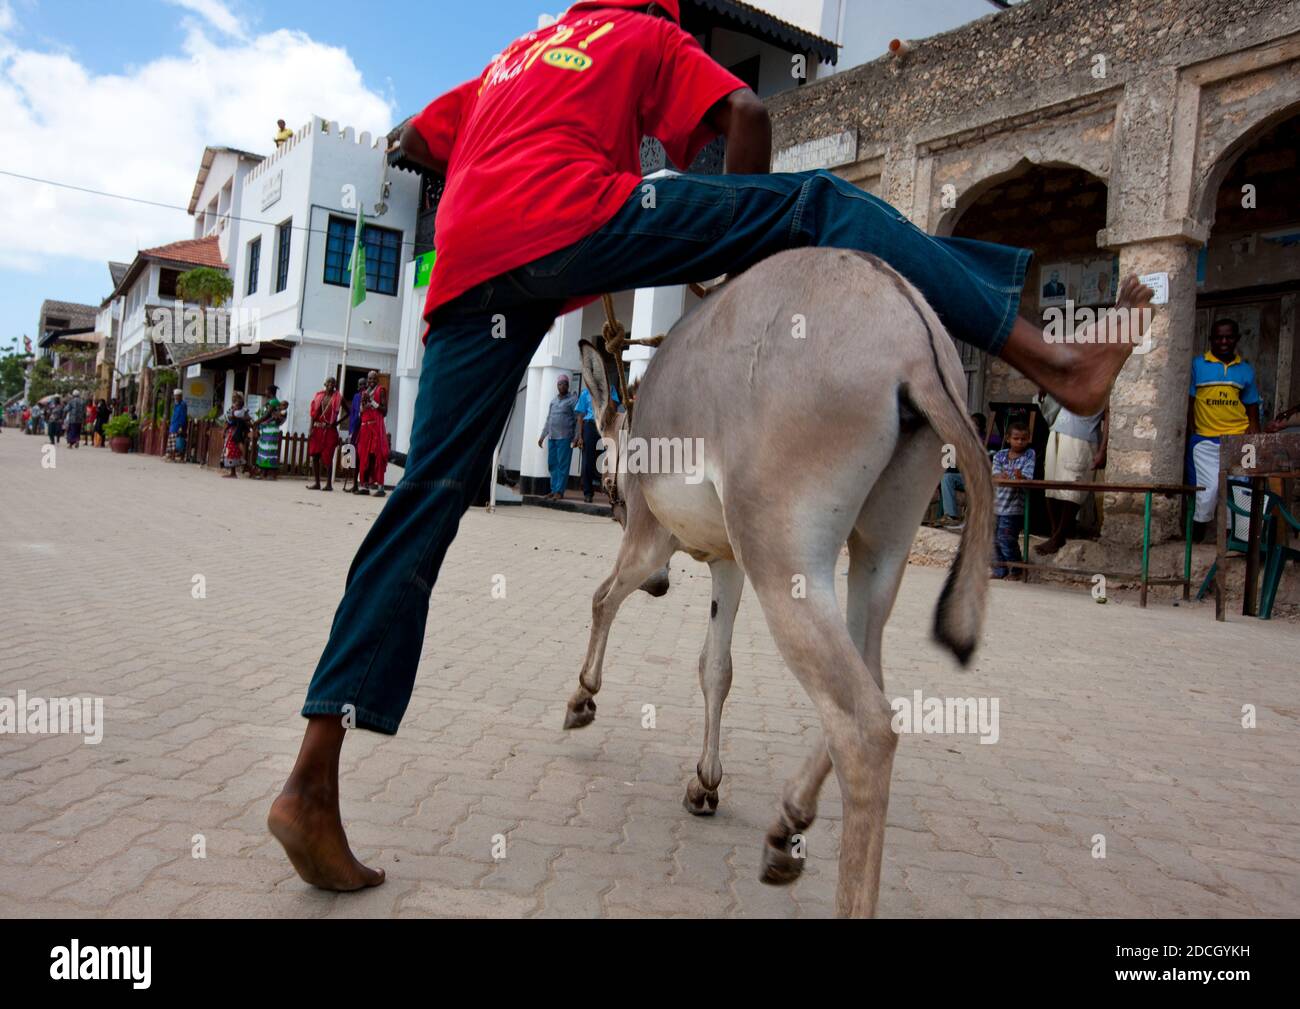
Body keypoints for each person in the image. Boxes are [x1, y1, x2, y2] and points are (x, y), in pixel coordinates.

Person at [268, 0, 1153, 892]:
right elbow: (748, 115)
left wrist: (484, 160)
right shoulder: (645, 32)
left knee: (422, 501)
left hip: (469, 262)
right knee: (817, 199)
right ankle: (1054, 359)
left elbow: (414, 138)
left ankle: (312, 778)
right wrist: (731, 252)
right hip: (573, 218)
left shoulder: (510, 58)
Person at [1186, 319, 1260, 542]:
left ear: (1237, 339)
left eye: (1229, 337)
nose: (1224, 341)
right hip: (1205, 439)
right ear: (1211, 340)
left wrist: (1254, 438)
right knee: (1206, 491)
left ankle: (1232, 542)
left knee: (1237, 490)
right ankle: (1195, 540)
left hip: (1238, 438)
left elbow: (1252, 407)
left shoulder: (1245, 370)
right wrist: (1190, 431)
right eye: (1219, 337)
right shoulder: (1197, 366)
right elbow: (1188, 403)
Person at [1035, 392, 1107, 556]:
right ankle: (1055, 533)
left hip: (1082, 436)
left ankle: (1060, 535)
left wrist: (1103, 450)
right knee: (1050, 484)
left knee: (1073, 488)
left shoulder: (1103, 380)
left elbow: (1109, 415)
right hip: (1057, 431)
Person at [991, 419, 1035, 580]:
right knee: (992, 539)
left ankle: (1016, 569)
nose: (1020, 441)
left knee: (1006, 538)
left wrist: (1020, 477)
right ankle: (999, 570)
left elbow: (1027, 478)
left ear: (1028, 439)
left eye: (1023, 438)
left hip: (1013, 508)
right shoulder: (1000, 455)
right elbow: (995, 474)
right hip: (996, 504)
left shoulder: (1029, 455)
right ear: (1008, 438)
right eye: (1016, 438)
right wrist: (999, 476)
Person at [938, 412, 988, 527]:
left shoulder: (987, 439)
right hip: (963, 477)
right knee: (947, 477)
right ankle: (951, 516)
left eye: (974, 424)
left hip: (978, 479)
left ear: (981, 427)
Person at [574, 382, 618, 503]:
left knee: (610, 459)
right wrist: (580, 436)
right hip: (590, 425)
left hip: (606, 425)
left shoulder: (611, 388)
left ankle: (611, 492)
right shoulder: (585, 392)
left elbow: (614, 408)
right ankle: (588, 493)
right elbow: (581, 415)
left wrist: (607, 393)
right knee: (587, 460)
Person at [537, 374, 579, 500]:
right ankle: (553, 489)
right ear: (557, 386)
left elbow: (578, 420)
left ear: (568, 385)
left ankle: (559, 491)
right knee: (552, 464)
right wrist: (542, 436)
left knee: (562, 465)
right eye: (560, 384)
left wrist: (576, 436)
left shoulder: (572, 400)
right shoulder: (553, 401)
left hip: (565, 437)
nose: (562, 386)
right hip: (552, 437)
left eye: (564, 384)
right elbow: (548, 419)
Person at [354, 372, 390, 497]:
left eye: (374, 378)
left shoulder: (381, 390)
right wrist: (364, 405)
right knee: (364, 457)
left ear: (377, 379)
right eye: (370, 378)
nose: (371, 380)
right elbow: (361, 412)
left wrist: (373, 402)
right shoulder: (364, 392)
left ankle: (380, 487)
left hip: (376, 427)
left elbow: (384, 411)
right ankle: (364, 486)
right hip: (365, 428)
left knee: (378, 455)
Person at [308, 377, 343, 491]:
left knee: (328, 457)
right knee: (315, 456)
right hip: (317, 429)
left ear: (335, 385)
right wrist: (310, 429)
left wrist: (336, 422)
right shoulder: (319, 396)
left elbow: (349, 411)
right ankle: (317, 483)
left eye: (333, 382)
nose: (331, 384)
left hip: (329, 431)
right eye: (329, 382)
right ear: (325, 384)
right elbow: (314, 414)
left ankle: (328, 484)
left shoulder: (338, 397)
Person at [254, 385, 287, 479]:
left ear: (270, 392)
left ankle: (271, 474)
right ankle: (264, 473)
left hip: (271, 429)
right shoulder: (271, 401)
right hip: (267, 429)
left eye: (266, 390)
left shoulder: (274, 402)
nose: (265, 392)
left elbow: (267, 415)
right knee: (264, 450)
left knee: (269, 450)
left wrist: (257, 422)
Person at [222, 393, 251, 477]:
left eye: (235, 397)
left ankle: (235, 471)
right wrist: (225, 430)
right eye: (233, 398)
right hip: (232, 432)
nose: (233, 399)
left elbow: (248, 419)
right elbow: (227, 421)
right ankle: (233, 472)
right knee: (231, 451)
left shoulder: (242, 411)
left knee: (234, 450)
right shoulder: (232, 409)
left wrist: (239, 418)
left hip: (236, 432)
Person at [166, 389, 188, 461]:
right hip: (173, 425)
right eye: (175, 396)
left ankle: (178, 457)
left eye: (177, 396)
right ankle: (171, 456)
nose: (176, 397)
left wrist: (181, 426)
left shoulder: (182, 405)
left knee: (178, 442)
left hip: (178, 426)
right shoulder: (176, 404)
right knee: (172, 442)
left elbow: (183, 416)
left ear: (180, 396)